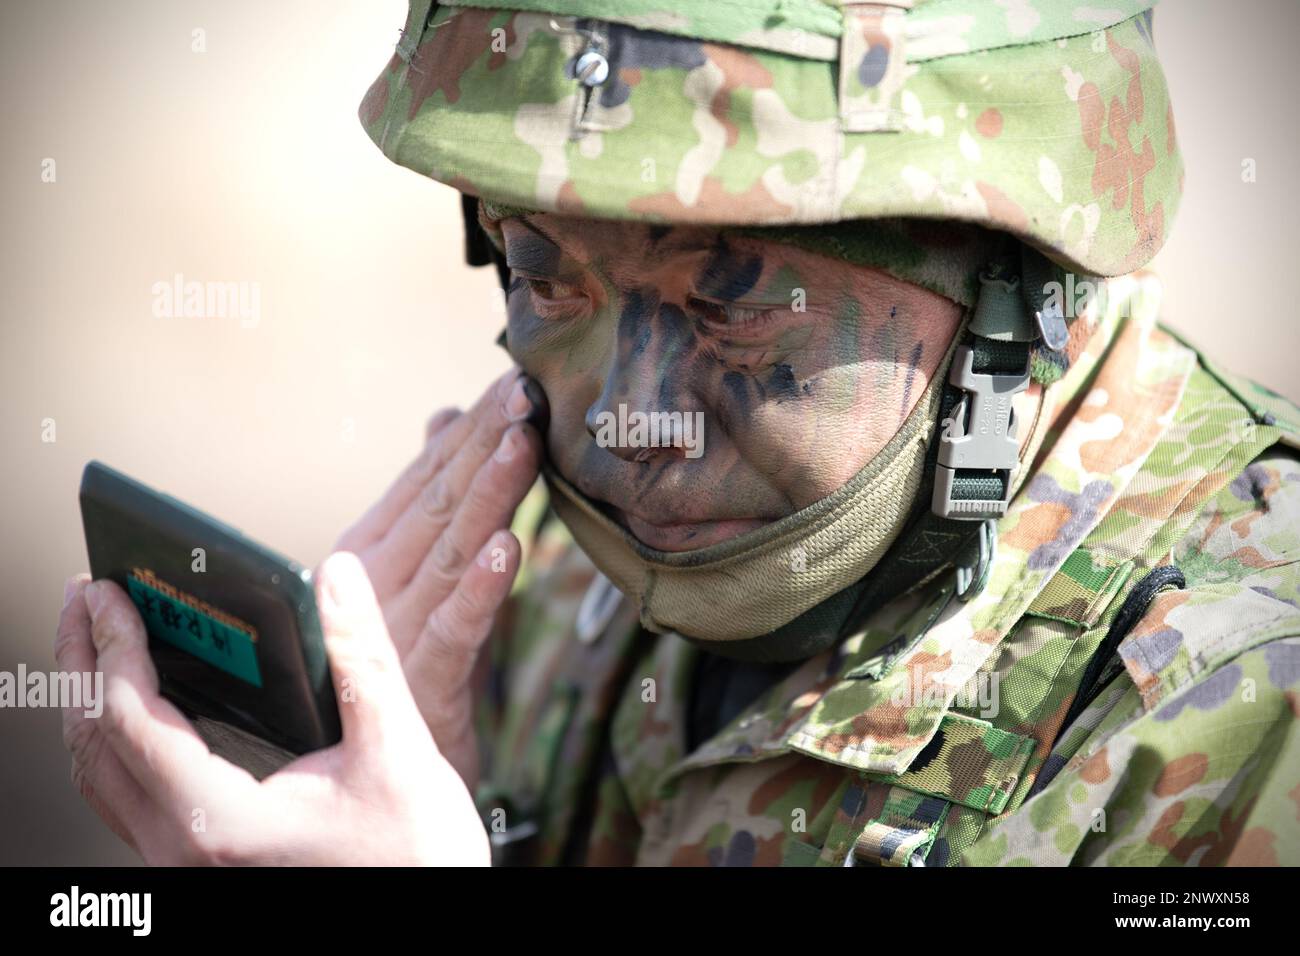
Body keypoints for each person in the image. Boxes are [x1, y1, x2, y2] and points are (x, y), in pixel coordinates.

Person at [59, 0, 1300, 866]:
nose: (624, 417)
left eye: (738, 297)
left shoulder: (1234, 709)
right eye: (549, 278)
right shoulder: (546, 589)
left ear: (1012, 289)